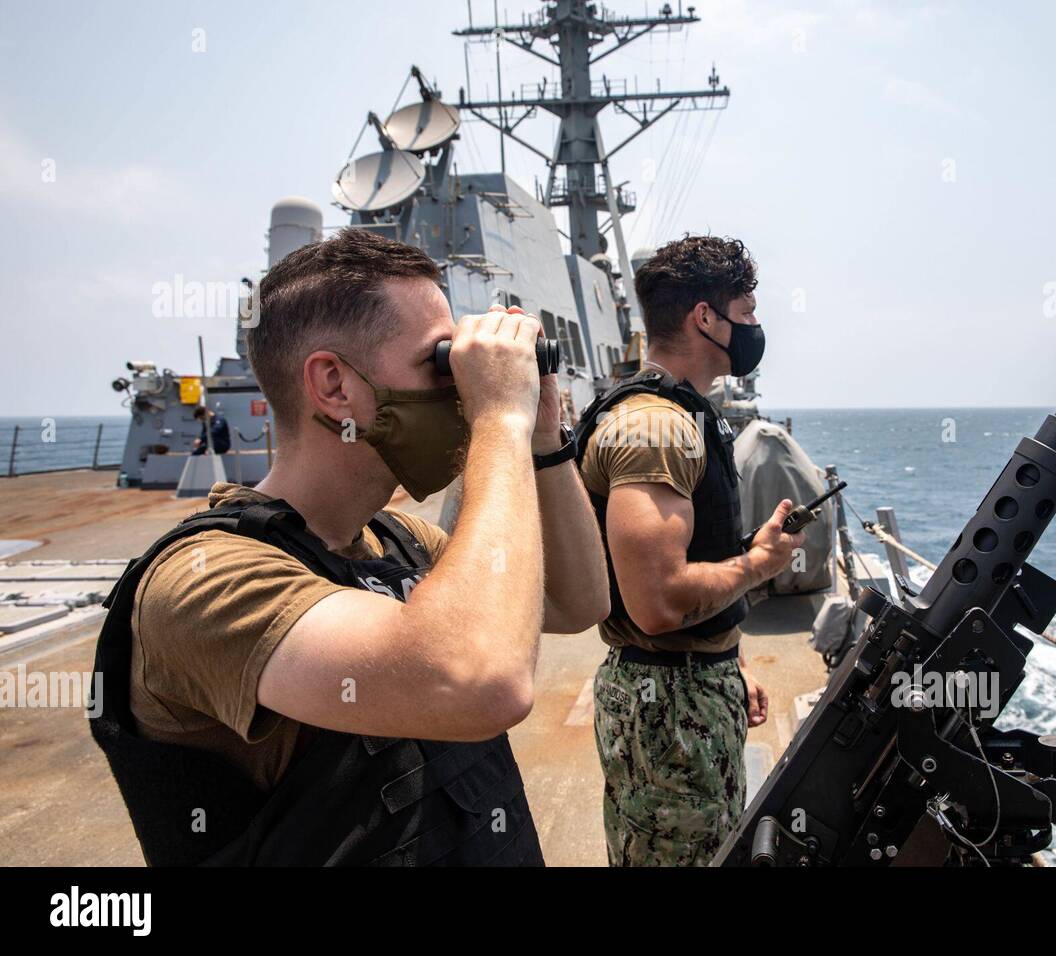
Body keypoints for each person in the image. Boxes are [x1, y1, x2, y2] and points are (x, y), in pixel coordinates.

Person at [89, 227, 609, 866]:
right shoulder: (204, 583)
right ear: (335, 386)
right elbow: (482, 682)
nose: (458, 385)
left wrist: (544, 431)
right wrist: (500, 415)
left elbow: (578, 600)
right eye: (438, 362)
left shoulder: (397, 542)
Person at [575, 235, 804, 866]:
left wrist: (732, 662)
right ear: (706, 317)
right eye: (748, 313)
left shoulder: (680, 413)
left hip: (690, 685)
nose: (755, 328)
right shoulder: (655, 427)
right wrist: (760, 564)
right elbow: (658, 603)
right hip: (669, 712)